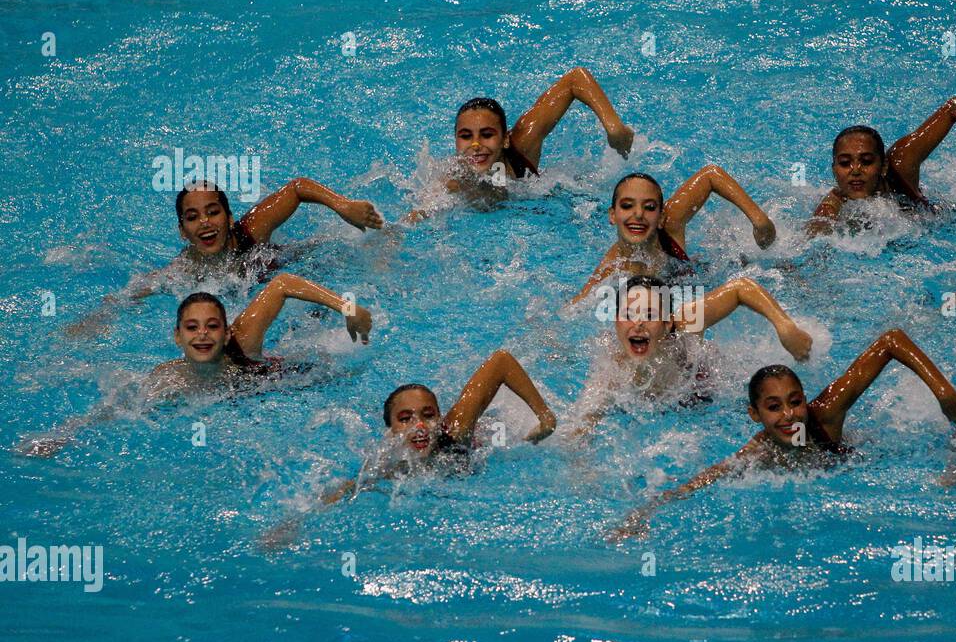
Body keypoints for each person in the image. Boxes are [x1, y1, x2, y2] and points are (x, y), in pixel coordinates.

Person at [608, 329, 956, 540]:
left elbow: (891, 340)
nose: (789, 415)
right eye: (774, 407)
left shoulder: (825, 415)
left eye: (795, 402)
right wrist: (645, 512)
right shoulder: (759, 452)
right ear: (755, 415)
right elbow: (703, 481)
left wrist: (944, 395)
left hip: (860, 454)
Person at [21, 273, 372, 456]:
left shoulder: (242, 342)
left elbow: (282, 284)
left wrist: (347, 307)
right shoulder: (168, 381)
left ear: (226, 332)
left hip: (278, 375)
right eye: (192, 328)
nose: (202, 335)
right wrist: (63, 435)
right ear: (177, 337)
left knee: (336, 366)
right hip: (247, 393)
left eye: (212, 326)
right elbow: (116, 407)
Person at [259, 350, 556, 547]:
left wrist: (544, 417)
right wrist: (292, 524)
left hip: (492, 434)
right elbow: (347, 489)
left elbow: (501, 362)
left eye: (428, 415)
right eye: (405, 419)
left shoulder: (454, 431)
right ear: (391, 432)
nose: (419, 426)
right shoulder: (391, 462)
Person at [66, 178, 383, 336]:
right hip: (271, 289)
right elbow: (129, 294)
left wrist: (343, 205)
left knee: (358, 248)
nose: (204, 222)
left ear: (230, 218)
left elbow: (298, 188)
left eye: (212, 212)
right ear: (182, 231)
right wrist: (97, 320)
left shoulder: (251, 230)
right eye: (192, 217)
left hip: (296, 260)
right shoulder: (183, 272)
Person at [573, 274, 813, 434]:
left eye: (649, 315)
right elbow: (583, 422)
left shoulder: (685, 324)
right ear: (615, 321)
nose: (638, 324)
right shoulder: (612, 367)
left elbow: (740, 289)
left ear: (668, 323)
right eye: (628, 315)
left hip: (707, 387)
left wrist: (785, 327)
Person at [405, 67, 635, 217]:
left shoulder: (522, 145)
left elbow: (574, 80)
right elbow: (418, 214)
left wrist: (614, 128)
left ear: (505, 139)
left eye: (487, 134)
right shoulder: (454, 180)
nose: (476, 145)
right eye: (466, 136)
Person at [807, 96, 956, 235]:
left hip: (940, 220)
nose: (855, 170)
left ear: (883, 166)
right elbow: (813, 239)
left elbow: (953, 108)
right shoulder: (831, 209)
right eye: (845, 163)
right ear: (833, 169)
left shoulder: (900, 164)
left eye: (867, 161)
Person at [572, 168, 777, 303]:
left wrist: (759, 220)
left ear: (661, 217)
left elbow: (710, 176)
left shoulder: (669, 226)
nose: (638, 214)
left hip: (713, 274)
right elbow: (575, 308)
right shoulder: (612, 269)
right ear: (612, 215)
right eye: (627, 206)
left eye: (649, 207)